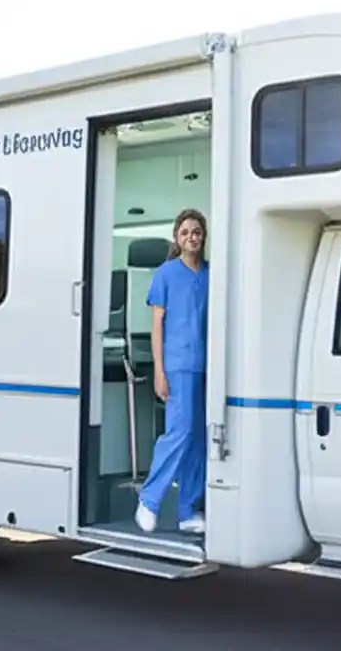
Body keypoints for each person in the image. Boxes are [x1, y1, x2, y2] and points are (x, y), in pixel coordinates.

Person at [135, 208, 209, 535]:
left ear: (203, 236)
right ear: (177, 238)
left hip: (207, 367)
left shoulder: (211, 274)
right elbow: (157, 327)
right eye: (185, 232)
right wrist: (159, 371)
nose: (191, 237)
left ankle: (188, 510)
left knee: (199, 440)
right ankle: (149, 500)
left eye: (197, 231)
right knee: (179, 433)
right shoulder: (166, 274)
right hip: (178, 366)